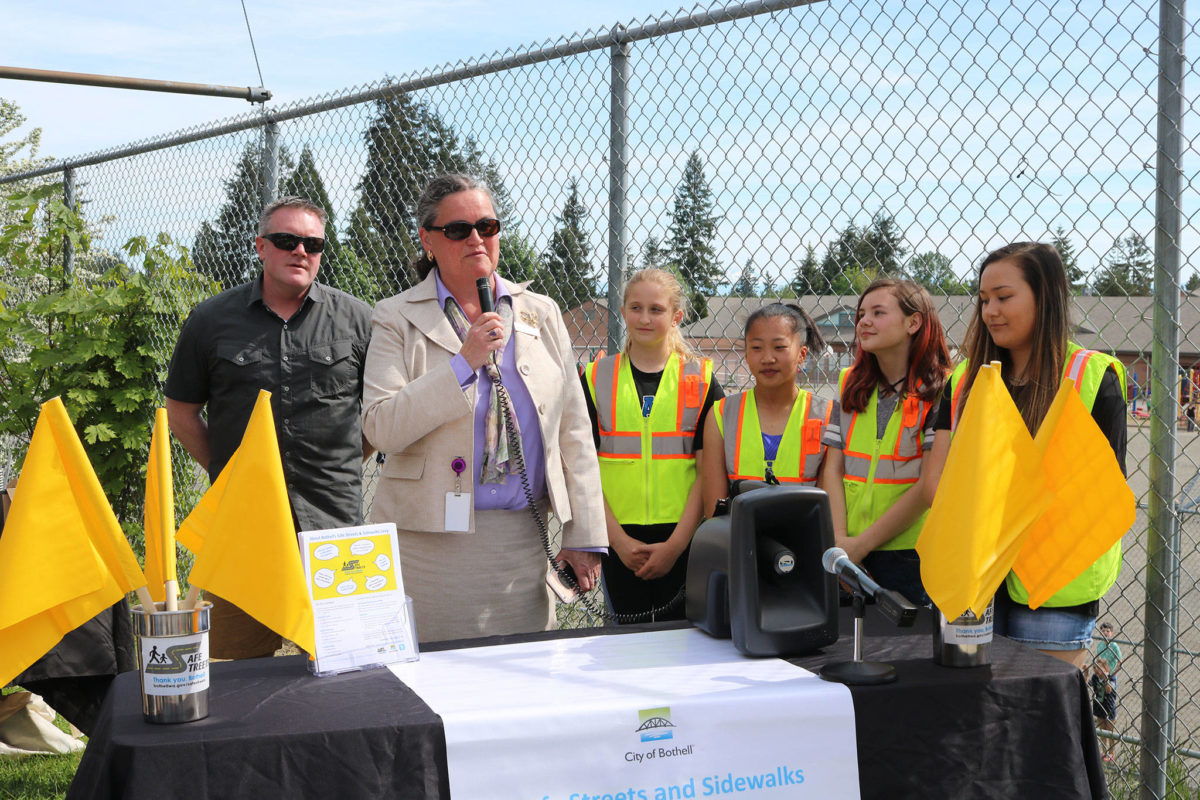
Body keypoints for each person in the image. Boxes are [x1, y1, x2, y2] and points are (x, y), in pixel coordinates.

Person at [361, 174, 606, 643]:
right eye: (458, 229)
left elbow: (574, 429)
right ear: (427, 240)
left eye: (487, 226)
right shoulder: (395, 316)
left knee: (520, 684)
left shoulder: (540, 312)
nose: (476, 238)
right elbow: (382, 426)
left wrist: (584, 534)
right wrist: (463, 363)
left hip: (520, 541)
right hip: (429, 545)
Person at [165, 195, 373, 659]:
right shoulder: (210, 321)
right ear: (260, 247)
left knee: (344, 668)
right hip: (243, 528)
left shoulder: (359, 320)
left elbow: (380, 413)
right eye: (286, 240)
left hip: (332, 524)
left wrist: (340, 460)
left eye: (313, 244)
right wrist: (235, 473)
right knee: (235, 674)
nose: (301, 251)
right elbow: (181, 412)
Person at [924, 241, 1127, 669]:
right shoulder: (964, 379)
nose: (990, 311)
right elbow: (936, 482)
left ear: (1045, 296)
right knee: (969, 713)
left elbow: (1100, 495)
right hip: (974, 575)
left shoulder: (1091, 376)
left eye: (1004, 297)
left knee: (1040, 717)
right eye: (983, 300)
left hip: (1053, 584)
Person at [581, 268, 722, 622]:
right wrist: (617, 541)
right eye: (635, 307)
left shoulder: (700, 379)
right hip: (618, 539)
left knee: (684, 647)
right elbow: (584, 467)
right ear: (623, 311)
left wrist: (675, 547)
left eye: (656, 309)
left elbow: (708, 470)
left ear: (676, 316)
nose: (644, 318)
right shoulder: (596, 377)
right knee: (625, 649)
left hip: (683, 538)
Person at [820, 279, 951, 606]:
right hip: (846, 552)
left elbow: (928, 484)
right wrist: (841, 543)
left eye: (878, 313)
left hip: (910, 555)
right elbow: (833, 469)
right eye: (862, 313)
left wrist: (861, 545)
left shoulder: (941, 390)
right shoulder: (850, 382)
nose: (863, 321)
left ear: (914, 322)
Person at [702, 303, 830, 517]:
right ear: (746, 354)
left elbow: (827, 508)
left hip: (806, 543)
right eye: (757, 347)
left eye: (779, 347)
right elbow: (715, 510)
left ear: (801, 354)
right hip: (739, 542)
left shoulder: (826, 416)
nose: (767, 358)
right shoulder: (721, 415)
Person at [1088, 657, 1118, 762]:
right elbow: (1088, 684)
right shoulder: (1095, 677)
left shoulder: (1112, 678)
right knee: (1102, 730)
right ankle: (1104, 752)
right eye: (1094, 668)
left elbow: (1109, 690)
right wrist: (1086, 674)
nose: (1096, 670)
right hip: (1098, 706)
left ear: (1105, 668)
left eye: (1098, 668)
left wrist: (1105, 679)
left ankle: (1112, 753)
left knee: (1110, 731)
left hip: (1109, 708)